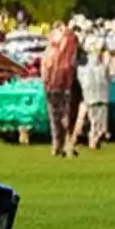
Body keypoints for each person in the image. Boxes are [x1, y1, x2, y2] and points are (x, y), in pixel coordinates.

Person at [41, 21, 79, 157]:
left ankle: (57, 145)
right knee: (65, 116)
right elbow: (70, 66)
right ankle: (67, 144)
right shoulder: (68, 47)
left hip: (51, 86)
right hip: (64, 85)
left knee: (55, 117)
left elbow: (44, 71)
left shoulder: (48, 53)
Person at [76, 45, 113, 150]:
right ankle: (93, 140)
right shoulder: (90, 68)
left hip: (95, 96)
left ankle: (95, 138)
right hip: (95, 96)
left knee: (97, 121)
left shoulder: (91, 68)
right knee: (96, 121)